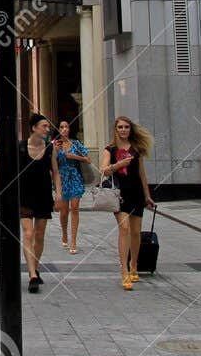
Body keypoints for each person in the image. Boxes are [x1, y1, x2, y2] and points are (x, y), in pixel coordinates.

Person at [103, 116, 156, 289]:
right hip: (118, 194)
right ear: (115, 129)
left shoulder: (136, 150)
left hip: (136, 193)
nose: (123, 130)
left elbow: (142, 175)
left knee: (135, 232)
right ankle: (124, 270)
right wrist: (118, 165)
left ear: (130, 129)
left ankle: (134, 265)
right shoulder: (109, 150)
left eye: (126, 127)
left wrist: (147, 196)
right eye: (120, 127)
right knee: (124, 228)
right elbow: (104, 171)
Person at [15, 114, 60, 293]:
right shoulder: (20, 147)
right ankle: (32, 274)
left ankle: (36, 266)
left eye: (48, 127)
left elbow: (55, 172)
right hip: (24, 196)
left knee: (39, 234)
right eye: (44, 126)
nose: (47, 130)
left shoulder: (50, 149)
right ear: (34, 128)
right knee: (28, 233)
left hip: (43, 195)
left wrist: (59, 193)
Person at [53, 121, 90, 256]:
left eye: (66, 127)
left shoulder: (76, 143)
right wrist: (55, 151)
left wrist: (73, 156)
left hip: (75, 177)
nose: (64, 129)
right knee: (64, 211)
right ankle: (64, 233)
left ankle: (73, 241)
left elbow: (88, 159)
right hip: (62, 179)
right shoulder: (55, 144)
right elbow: (51, 162)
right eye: (61, 127)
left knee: (74, 207)